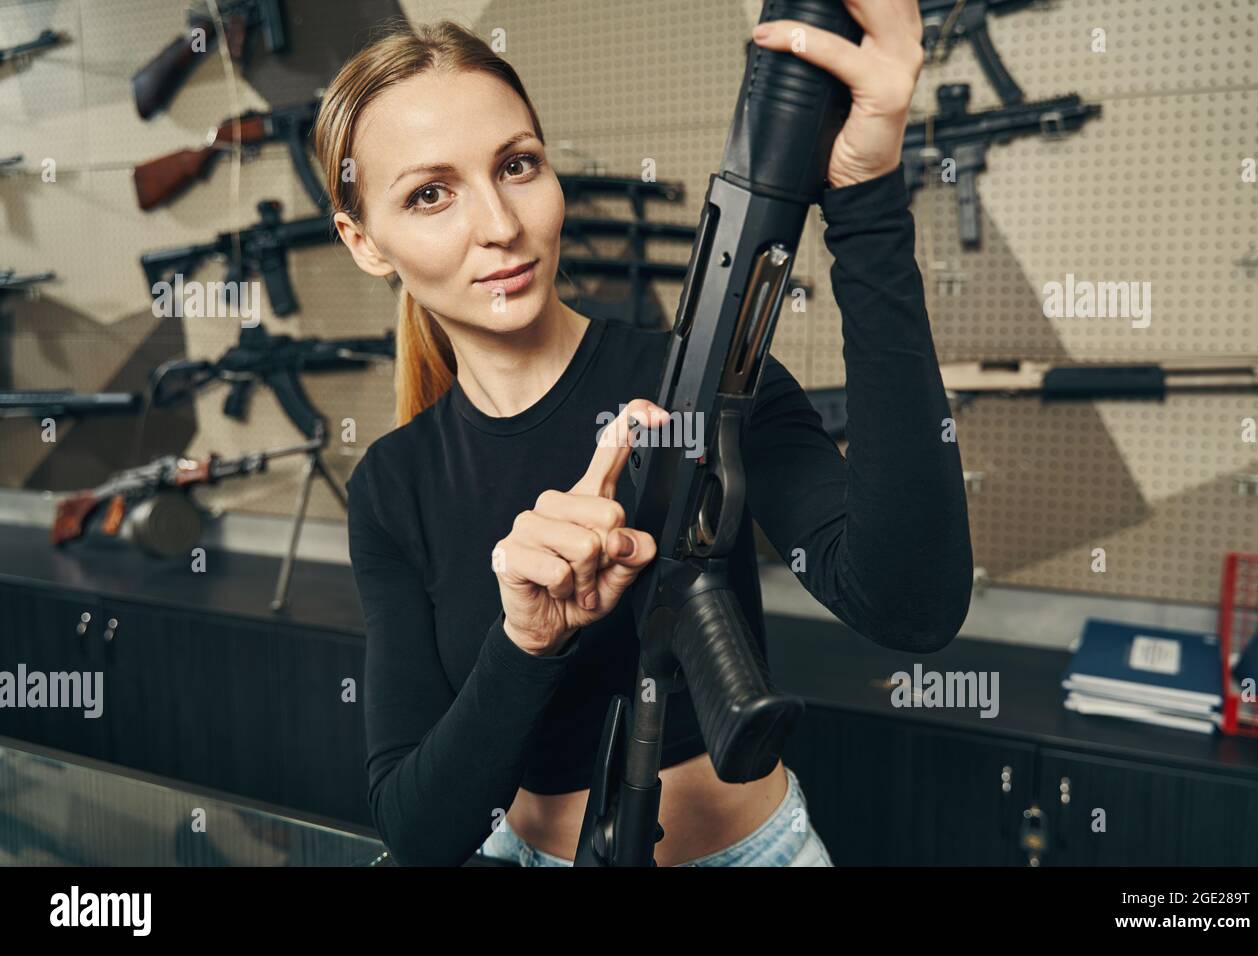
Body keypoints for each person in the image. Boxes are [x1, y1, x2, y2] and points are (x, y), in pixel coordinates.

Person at [317, 3, 971, 867]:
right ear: (365, 242)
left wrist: (866, 201)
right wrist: (527, 640)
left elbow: (913, 606)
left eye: (517, 165)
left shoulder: (705, 378)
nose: (500, 225)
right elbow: (417, 831)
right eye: (430, 194)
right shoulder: (392, 485)